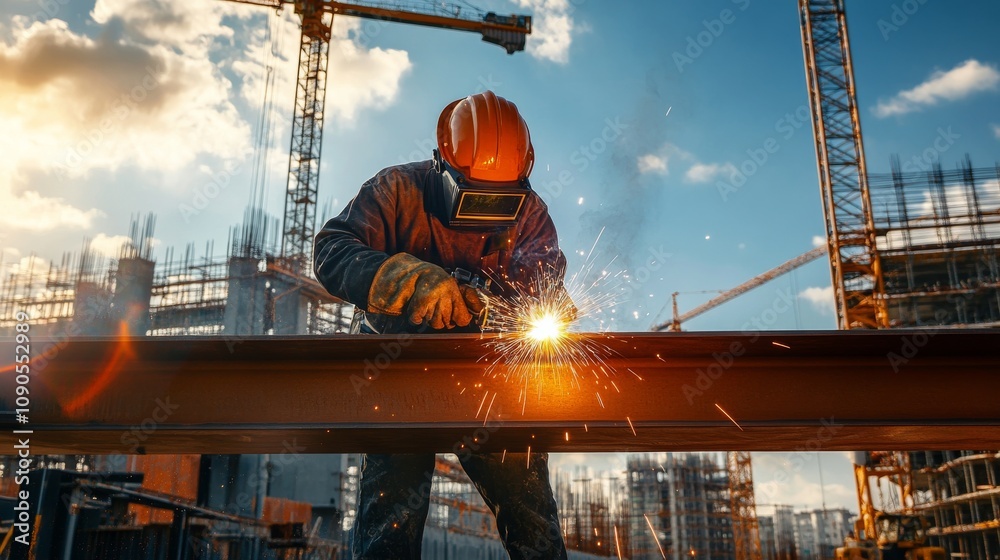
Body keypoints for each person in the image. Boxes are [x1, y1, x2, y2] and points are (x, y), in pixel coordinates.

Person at [313, 90, 570, 559]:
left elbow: (544, 283)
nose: (487, 210)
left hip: (488, 379)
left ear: (523, 182)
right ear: (443, 166)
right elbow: (331, 251)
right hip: (397, 375)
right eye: (475, 196)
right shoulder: (395, 191)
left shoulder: (530, 214)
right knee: (391, 519)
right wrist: (402, 280)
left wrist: (534, 308)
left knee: (532, 515)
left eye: (502, 200)